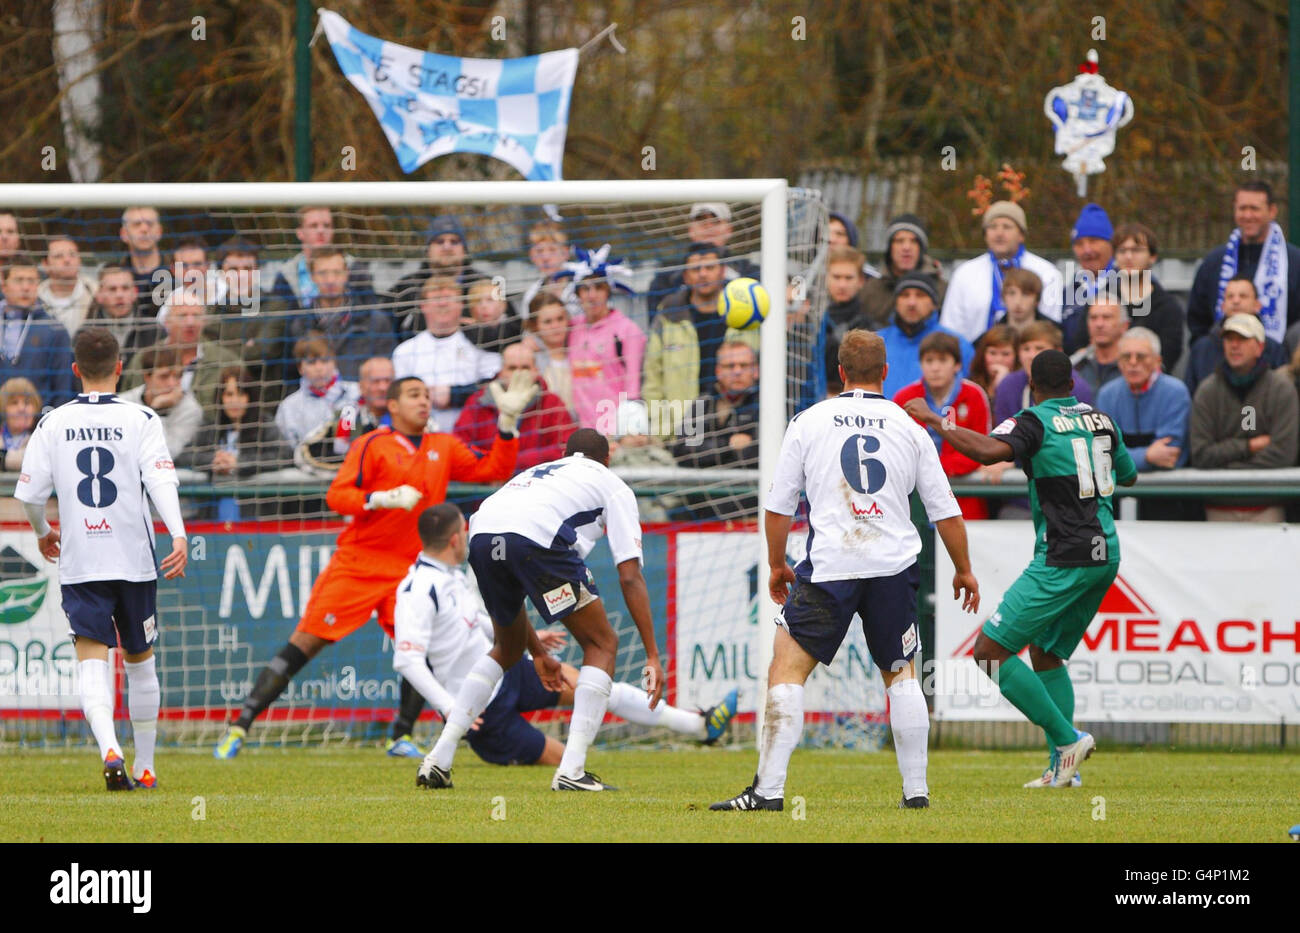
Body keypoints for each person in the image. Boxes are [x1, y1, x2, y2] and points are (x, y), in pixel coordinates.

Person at [710, 330, 979, 812]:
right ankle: (915, 792)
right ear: (885, 373)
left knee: (787, 669)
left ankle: (768, 792)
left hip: (832, 562)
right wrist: (964, 570)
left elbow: (778, 505)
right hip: (892, 566)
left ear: (839, 372)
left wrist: (776, 563)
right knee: (901, 673)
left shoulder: (809, 421)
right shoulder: (909, 425)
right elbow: (946, 511)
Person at [213, 374, 528, 760]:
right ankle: (238, 727)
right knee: (306, 643)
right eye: (414, 395)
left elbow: (494, 468)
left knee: (420, 649)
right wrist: (381, 498)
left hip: (409, 570)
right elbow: (337, 495)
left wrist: (507, 426)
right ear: (392, 405)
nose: (424, 401)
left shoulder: (442, 446)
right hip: (358, 563)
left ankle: (401, 736)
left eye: (428, 395)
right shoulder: (371, 444)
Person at [903, 349, 1137, 788]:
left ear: (1032, 386)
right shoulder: (1103, 420)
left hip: (1062, 556)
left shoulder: (1033, 419)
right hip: (1106, 554)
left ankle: (1068, 740)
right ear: (1072, 385)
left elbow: (989, 451)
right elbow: (1129, 476)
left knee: (989, 654)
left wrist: (937, 421)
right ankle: (1061, 770)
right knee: (1047, 654)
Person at [417, 429, 666, 792]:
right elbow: (629, 575)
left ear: (564, 453)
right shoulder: (612, 484)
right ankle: (573, 770)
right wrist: (652, 654)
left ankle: (438, 758)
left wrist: (536, 653)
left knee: (505, 649)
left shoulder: (537, 475)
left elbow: (524, 579)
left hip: (483, 537)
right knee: (602, 644)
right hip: (535, 539)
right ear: (608, 459)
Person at [397, 503, 737, 769]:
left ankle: (700, 727)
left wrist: (532, 637)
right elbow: (408, 660)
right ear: (456, 538)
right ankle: (568, 773)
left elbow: (476, 624)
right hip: (484, 713)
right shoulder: (417, 589)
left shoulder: (453, 576)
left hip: (513, 672)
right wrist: (451, 707)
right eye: (465, 529)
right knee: (565, 757)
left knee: (600, 686)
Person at [14, 327, 188, 790]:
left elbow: (30, 494)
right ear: (119, 368)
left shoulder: (54, 421)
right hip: (132, 558)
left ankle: (109, 746)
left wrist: (42, 531)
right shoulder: (142, 418)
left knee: (91, 658)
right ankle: (145, 765)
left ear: (75, 370)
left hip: (82, 558)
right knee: (141, 659)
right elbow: (161, 481)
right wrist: (178, 532)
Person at [1189, 313, 1299, 522]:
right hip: (1218, 506)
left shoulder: (1281, 389)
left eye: (1242, 339)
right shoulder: (1208, 390)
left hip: (1268, 506)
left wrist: (1226, 467)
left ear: (1259, 347)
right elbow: (1201, 454)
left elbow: (1284, 454)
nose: (1234, 346)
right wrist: (1249, 447)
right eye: (1229, 339)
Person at [644, 242, 756, 431]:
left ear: (722, 271)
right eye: (696, 269)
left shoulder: (745, 313)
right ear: (686, 276)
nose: (703, 274)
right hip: (681, 428)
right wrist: (663, 428)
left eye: (710, 267)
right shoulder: (668, 314)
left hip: (735, 426)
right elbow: (652, 378)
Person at [1187, 180, 1300, 345]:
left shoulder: (1294, 262)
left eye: (1254, 209)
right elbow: (1198, 320)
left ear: (1272, 211)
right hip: (1219, 362)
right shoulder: (1214, 262)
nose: (1247, 216)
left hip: (1279, 362)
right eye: (1242, 208)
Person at [894, 331, 993, 519]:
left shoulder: (974, 395)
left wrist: (930, 468)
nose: (935, 368)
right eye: (929, 361)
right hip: (913, 505)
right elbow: (897, 451)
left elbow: (981, 448)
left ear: (957, 365)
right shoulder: (905, 397)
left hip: (964, 501)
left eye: (942, 360)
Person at [940, 200, 1064, 344]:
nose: (999, 233)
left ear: (1021, 235)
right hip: (975, 360)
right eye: (992, 227)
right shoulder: (965, 273)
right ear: (985, 234)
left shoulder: (1046, 273)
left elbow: (1049, 326)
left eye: (1007, 227)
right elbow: (951, 328)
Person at [391, 274, 501, 433]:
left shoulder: (483, 343)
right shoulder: (405, 351)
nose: (442, 304)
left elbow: (495, 387)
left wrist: (454, 395)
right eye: (436, 298)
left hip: (473, 435)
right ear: (423, 305)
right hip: (422, 438)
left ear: (461, 304)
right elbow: (400, 399)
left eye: (449, 298)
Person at [179, 367, 290, 519]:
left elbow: (284, 454)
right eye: (229, 394)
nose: (234, 401)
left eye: (241, 394)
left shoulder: (264, 425)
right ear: (221, 398)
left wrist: (238, 463)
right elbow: (183, 455)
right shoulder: (211, 428)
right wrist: (214, 460)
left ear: (250, 397)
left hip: (254, 513)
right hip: (212, 512)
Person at [454, 342, 574, 473]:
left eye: (525, 368)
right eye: (512, 368)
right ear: (501, 372)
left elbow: (565, 447)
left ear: (536, 370)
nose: (518, 373)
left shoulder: (551, 403)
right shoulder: (478, 401)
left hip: (537, 483)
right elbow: (460, 446)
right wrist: (494, 465)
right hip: (488, 483)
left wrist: (512, 462)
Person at [120, 292, 241, 421]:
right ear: (167, 322)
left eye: (196, 316)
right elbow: (127, 406)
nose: (190, 323)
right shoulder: (143, 359)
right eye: (182, 316)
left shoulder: (227, 361)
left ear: (205, 322)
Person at [281, 247, 393, 384]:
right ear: (312, 276)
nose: (330, 280)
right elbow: (292, 376)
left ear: (347, 274)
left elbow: (387, 373)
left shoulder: (375, 321)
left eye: (337, 272)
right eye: (323, 273)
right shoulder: (299, 325)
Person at [567, 251, 646, 429]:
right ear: (578, 294)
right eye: (585, 289)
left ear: (608, 292)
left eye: (598, 287)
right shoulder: (572, 328)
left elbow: (633, 387)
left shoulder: (627, 329)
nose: (592, 295)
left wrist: (625, 428)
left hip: (614, 429)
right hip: (580, 430)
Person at [1096, 328, 1190, 473]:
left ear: (1157, 361)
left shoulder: (1175, 393)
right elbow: (1102, 455)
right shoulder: (1107, 395)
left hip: (1167, 489)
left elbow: (1169, 454)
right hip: (1119, 489)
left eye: (1141, 356)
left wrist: (1121, 458)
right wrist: (1146, 456)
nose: (1133, 362)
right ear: (1119, 362)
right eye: (1126, 356)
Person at [387, 215, 491, 338]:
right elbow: (382, 326)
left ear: (465, 250)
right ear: (428, 250)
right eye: (439, 241)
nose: (447, 247)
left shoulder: (488, 285)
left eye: (454, 241)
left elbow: (510, 327)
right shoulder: (407, 286)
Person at [646, 202, 759, 313]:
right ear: (690, 230)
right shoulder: (666, 277)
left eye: (716, 221)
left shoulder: (750, 275)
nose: (708, 226)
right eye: (701, 220)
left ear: (729, 230)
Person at [1183, 277, 1288, 397]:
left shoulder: (1274, 349)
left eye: (1243, 296)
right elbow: (1191, 396)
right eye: (1230, 296)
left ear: (1257, 305)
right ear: (1222, 306)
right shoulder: (1202, 349)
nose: (1236, 301)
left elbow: (1282, 394)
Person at [878, 273, 973, 398]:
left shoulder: (957, 344)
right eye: (905, 295)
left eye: (920, 295)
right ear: (896, 303)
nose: (911, 302)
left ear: (934, 303)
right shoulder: (876, 343)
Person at [295, 355, 393, 476]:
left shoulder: (408, 417)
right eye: (375, 381)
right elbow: (302, 455)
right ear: (361, 386)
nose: (383, 387)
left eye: (388, 381)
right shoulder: (348, 416)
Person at [1110, 222, 1186, 372]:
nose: (1128, 256)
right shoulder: (1100, 301)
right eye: (1122, 250)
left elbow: (1167, 359)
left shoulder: (1168, 308)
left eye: (1136, 250)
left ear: (1152, 257)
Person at [0, 260, 76, 407]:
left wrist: (49, 422)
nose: (26, 287)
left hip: (39, 422)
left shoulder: (54, 330)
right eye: (19, 280)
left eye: (31, 281)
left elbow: (63, 388)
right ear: (4, 286)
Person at [858, 214, 947, 330]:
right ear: (890, 248)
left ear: (921, 249)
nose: (906, 247)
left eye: (914, 241)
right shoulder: (870, 290)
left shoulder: (941, 289)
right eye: (899, 241)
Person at [271, 206, 372, 308]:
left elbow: (369, 314)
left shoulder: (355, 269)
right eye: (313, 226)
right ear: (300, 233)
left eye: (327, 225)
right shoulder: (286, 274)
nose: (321, 231)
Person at [119, 346, 203, 462]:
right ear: (147, 377)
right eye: (164, 376)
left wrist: (157, 410)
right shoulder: (124, 403)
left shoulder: (190, 409)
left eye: (178, 376)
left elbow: (167, 453)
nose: (172, 384)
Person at [274, 337, 360, 449]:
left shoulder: (356, 393)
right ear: (300, 368)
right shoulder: (288, 406)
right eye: (311, 362)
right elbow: (288, 450)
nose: (319, 368)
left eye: (325, 361)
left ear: (334, 362)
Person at [1059, 203, 1118, 352]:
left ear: (1111, 244)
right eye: (1079, 244)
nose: (1087, 250)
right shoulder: (1068, 292)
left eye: (1093, 241)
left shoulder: (1128, 286)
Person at [82, 265, 159, 359]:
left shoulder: (155, 331)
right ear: (99, 295)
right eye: (112, 289)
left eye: (125, 288)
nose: (119, 295)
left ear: (135, 293)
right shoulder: (84, 335)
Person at [524, 292, 574, 415]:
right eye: (547, 322)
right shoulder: (530, 360)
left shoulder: (580, 351)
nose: (555, 326)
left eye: (560, 319)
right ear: (535, 326)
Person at [38, 236, 97, 335]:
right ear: (45, 264)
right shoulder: (35, 296)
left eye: (72, 255)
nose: (67, 260)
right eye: (58, 256)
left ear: (80, 260)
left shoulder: (95, 291)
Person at [1069, 298, 1128, 396]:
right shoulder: (1075, 365)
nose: (1099, 324)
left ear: (1124, 325)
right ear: (1087, 325)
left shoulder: (1134, 365)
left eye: (1107, 317)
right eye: (1093, 318)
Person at [118, 206, 168, 317]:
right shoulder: (114, 277)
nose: (144, 229)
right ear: (124, 234)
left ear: (159, 232)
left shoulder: (176, 273)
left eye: (150, 224)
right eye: (137, 224)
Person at [462, 278, 523, 353]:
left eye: (490, 300)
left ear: (503, 304)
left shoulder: (515, 328)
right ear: (471, 308)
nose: (483, 306)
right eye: (478, 301)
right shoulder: (463, 330)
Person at [968, 324, 1019, 403]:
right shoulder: (971, 384)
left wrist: (1005, 384)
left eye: (1005, 354)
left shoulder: (1024, 387)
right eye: (992, 353)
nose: (998, 359)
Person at [0, 376, 39, 470]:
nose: (21, 408)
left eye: (27, 403)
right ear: (3, 408)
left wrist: (3, 459)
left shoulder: (42, 440)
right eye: (14, 403)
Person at [1000, 268, 1046, 333]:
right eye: (1011, 293)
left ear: (1037, 299)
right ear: (1003, 297)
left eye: (1026, 294)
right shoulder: (989, 338)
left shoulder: (1058, 335)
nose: (1017, 302)